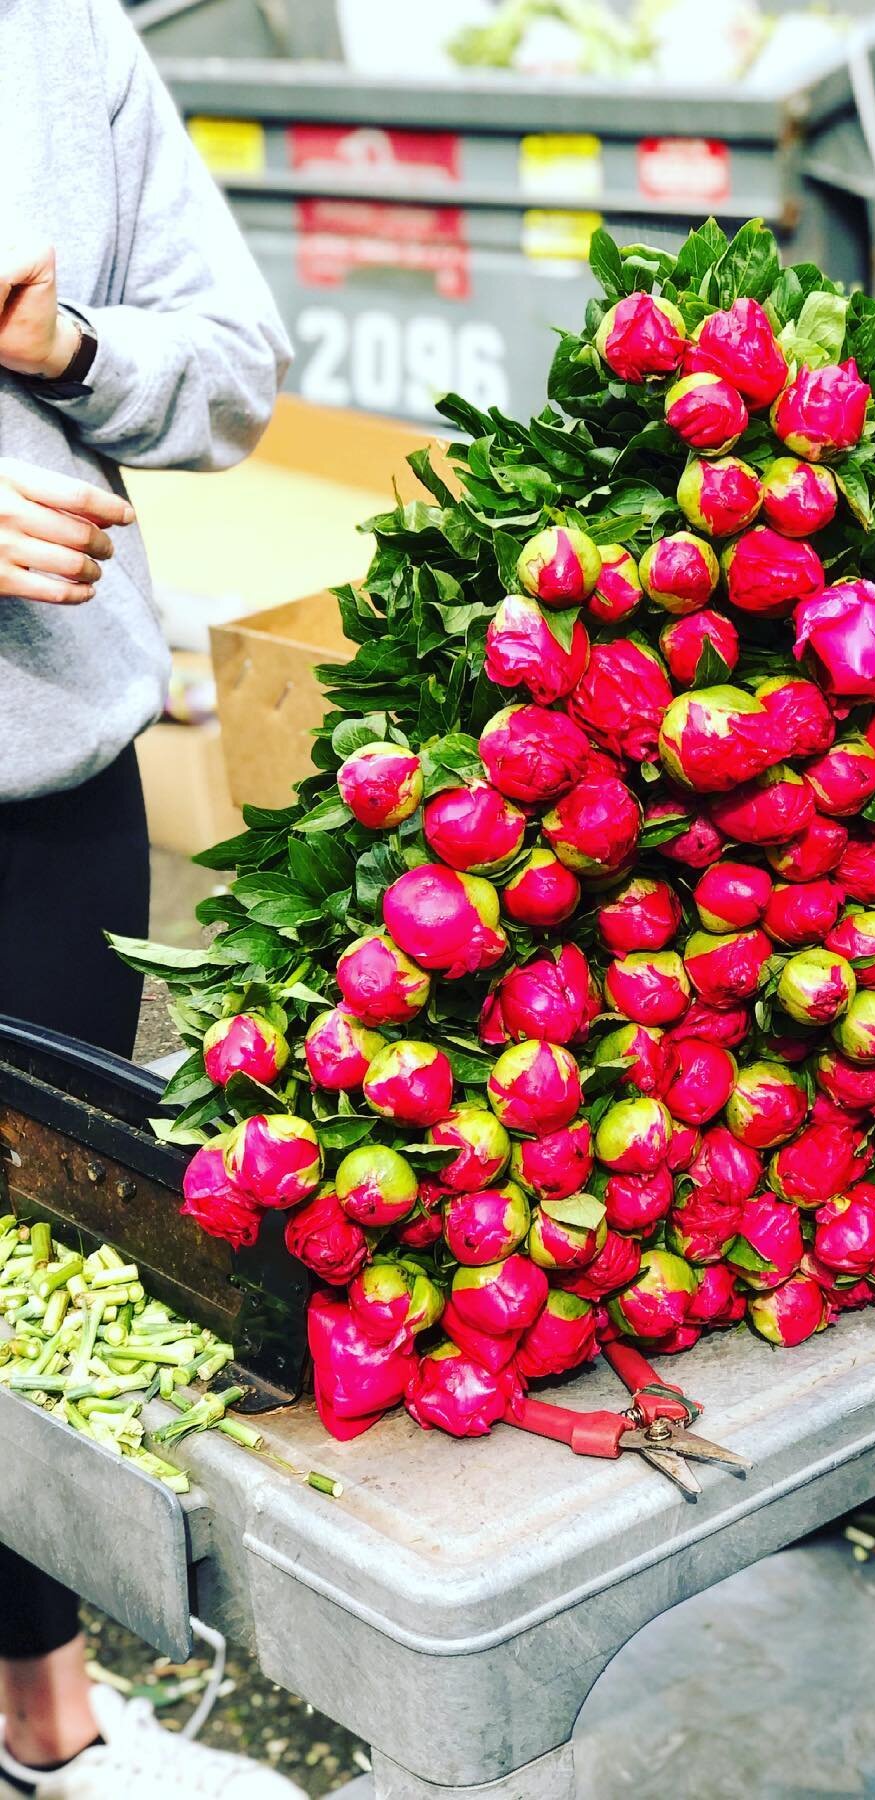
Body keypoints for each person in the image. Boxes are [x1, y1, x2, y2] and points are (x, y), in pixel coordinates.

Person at [0, 3, 300, 1794]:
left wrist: (74, 344)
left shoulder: (60, 43)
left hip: (52, 796)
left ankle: (47, 1704)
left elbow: (238, 370)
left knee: (39, 1283)